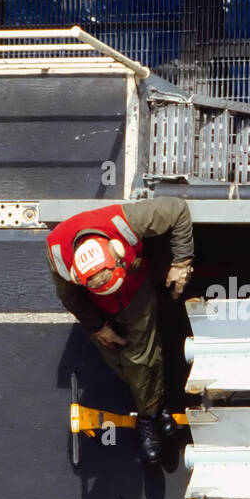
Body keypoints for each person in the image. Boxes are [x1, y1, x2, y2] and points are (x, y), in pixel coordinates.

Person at [47, 197, 193, 462]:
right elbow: (70, 297)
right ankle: (158, 407)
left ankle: (148, 419)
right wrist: (97, 326)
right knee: (118, 361)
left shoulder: (126, 220)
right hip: (100, 309)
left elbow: (178, 210)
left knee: (141, 360)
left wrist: (181, 263)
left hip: (136, 294)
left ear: (117, 252)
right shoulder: (58, 254)